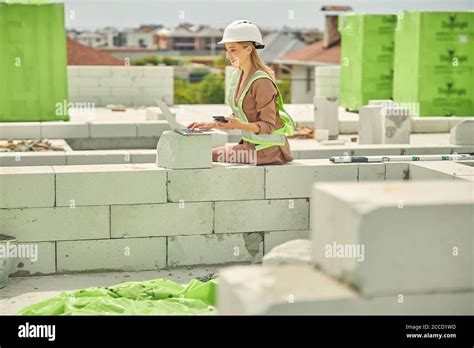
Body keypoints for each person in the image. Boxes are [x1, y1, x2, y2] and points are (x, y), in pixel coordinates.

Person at [188, 19, 296, 165]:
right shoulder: (238, 75)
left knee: (203, 155)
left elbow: (268, 126)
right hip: (250, 146)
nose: (228, 55)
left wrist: (238, 125)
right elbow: (242, 113)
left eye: (233, 50)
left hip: (268, 152)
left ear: (249, 49)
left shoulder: (262, 82)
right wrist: (212, 124)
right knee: (200, 153)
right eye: (227, 50)